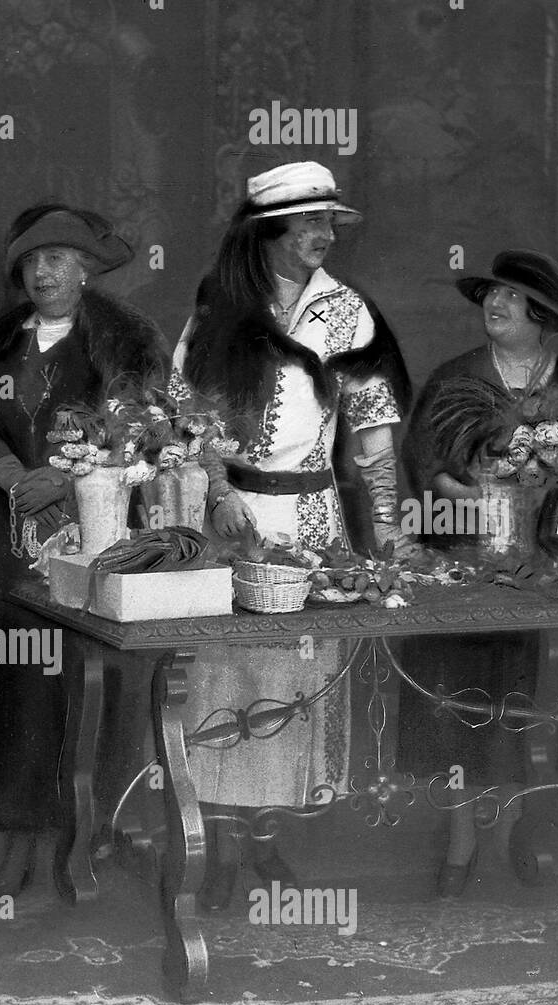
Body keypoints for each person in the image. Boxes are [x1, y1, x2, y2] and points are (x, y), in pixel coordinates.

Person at [175, 162, 412, 908]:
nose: (323, 235)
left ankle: (267, 843)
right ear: (269, 232)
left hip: (312, 523)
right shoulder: (219, 308)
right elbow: (185, 418)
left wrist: (391, 542)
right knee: (221, 682)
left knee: (293, 687)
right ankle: (214, 852)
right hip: (228, 522)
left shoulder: (348, 313)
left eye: (329, 222)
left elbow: (373, 442)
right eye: (308, 222)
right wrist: (215, 491)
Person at [0, 203, 168, 900]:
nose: (44, 271)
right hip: (6, 542)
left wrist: (65, 476)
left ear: (86, 268)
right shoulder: (1, 345)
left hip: (91, 537)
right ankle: (18, 836)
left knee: (77, 685)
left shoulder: (122, 343)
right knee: (9, 681)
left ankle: (84, 833)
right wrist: (10, 475)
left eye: (58, 258)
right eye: (33, 261)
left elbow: (144, 426)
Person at [396, 250, 558, 894]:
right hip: (465, 573)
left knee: (531, 707)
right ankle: (459, 844)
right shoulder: (454, 380)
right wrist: (476, 500)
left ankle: (513, 835)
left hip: (548, 576)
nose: (496, 305)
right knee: (457, 709)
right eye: (492, 295)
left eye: (512, 298)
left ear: (543, 317)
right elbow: (425, 472)